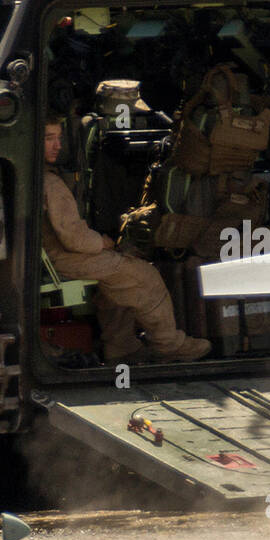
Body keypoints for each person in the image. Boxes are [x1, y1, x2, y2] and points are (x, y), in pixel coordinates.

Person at [42, 114, 212, 363]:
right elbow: (75, 239)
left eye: (59, 138)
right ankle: (169, 344)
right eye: (48, 139)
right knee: (144, 275)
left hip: (56, 256)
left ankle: (122, 348)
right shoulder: (50, 183)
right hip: (66, 257)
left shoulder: (42, 177)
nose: (57, 145)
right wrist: (102, 242)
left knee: (117, 283)